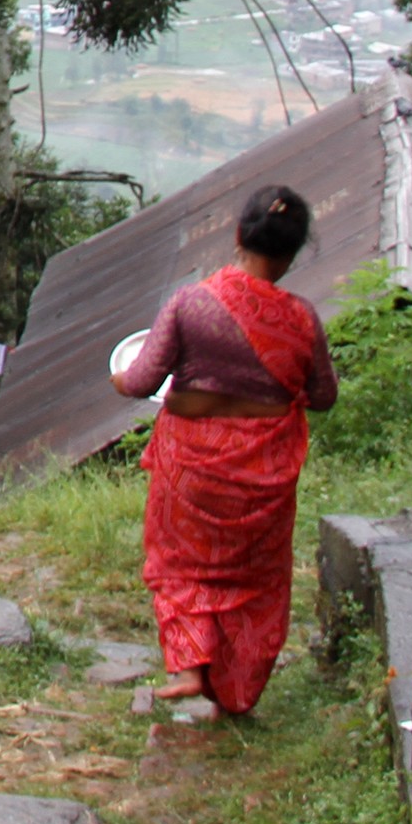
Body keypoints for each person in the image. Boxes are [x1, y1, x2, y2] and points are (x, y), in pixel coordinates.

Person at [109, 183, 339, 715]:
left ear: (238, 235)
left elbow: (143, 380)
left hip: (190, 468)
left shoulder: (191, 304)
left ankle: (189, 666)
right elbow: (323, 396)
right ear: (293, 252)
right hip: (262, 472)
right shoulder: (301, 319)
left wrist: (119, 378)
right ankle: (235, 690)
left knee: (180, 563)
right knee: (254, 580)